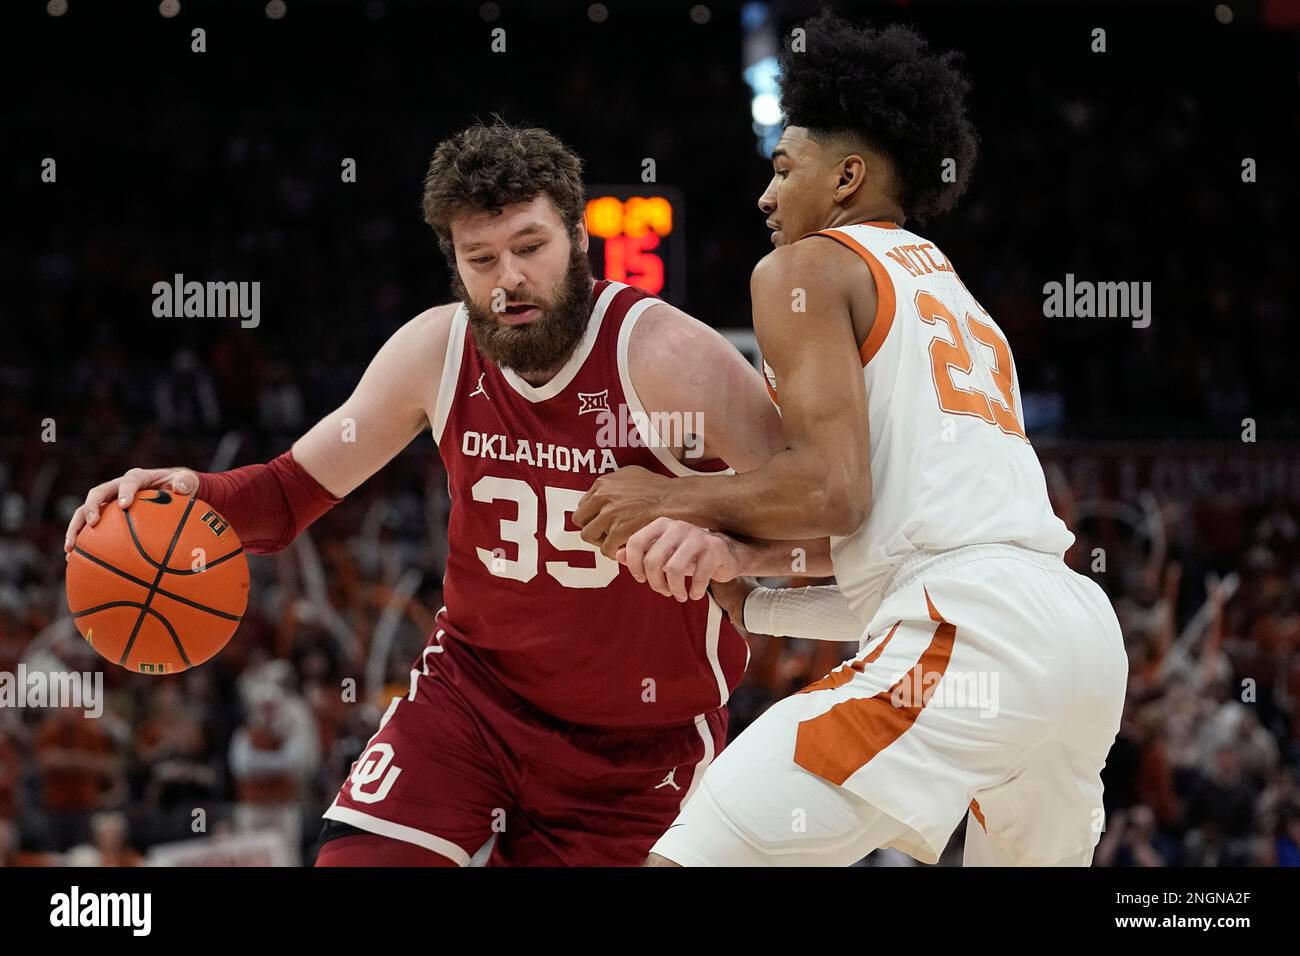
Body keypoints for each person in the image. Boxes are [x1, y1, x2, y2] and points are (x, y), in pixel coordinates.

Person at [63, 120, 786, 866]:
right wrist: (197, 494)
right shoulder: (434, 351)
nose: (508, 278)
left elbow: (820, 511)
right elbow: (289, 495)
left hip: (637, 745)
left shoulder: (668, 357)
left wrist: (726, 543)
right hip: (473, 702)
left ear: (577, 235)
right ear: (455, 263)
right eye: (481, 258)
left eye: (530, 248)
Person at [574, 12, 1128, 866]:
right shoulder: (960, 301)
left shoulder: (807, 267)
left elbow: (835, 495)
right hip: (1077, 639)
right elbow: (915, 560)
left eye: (783, 169)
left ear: (847, 178)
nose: (765, 197)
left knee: (691, 854)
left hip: (975, 630)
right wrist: (750, 588)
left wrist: (666, 494)